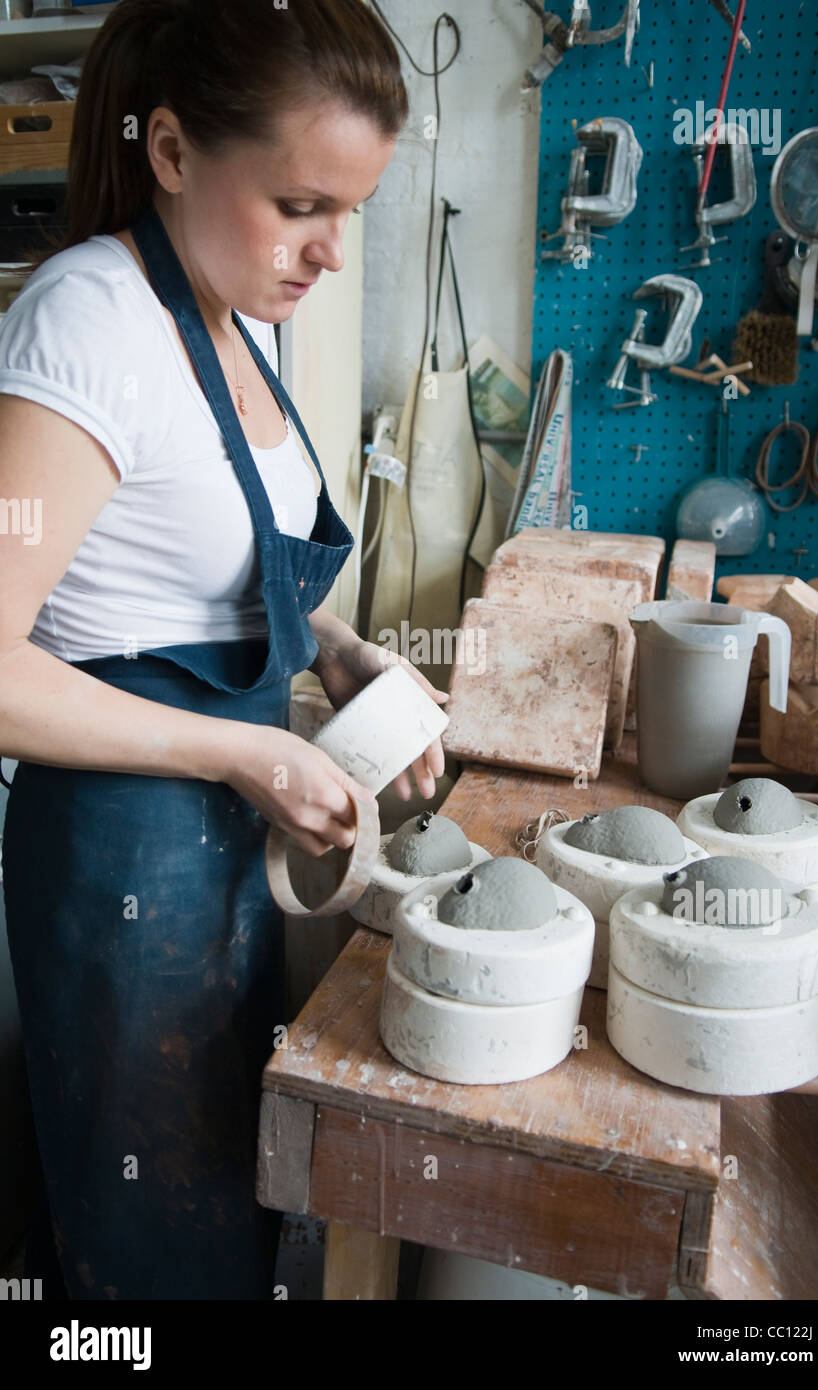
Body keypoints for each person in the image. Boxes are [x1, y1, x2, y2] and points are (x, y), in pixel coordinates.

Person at [0, 0, 444, 1300]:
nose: (329, 250)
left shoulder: (232, 310)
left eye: (351, 209)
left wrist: (338, 650)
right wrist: (244, 749)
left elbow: (179, 566)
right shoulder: (89, 320)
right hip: (124, 869)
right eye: (304, 201)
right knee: (147, 1245)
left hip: (218, 854)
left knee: (220, 1201)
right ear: (178, 151)